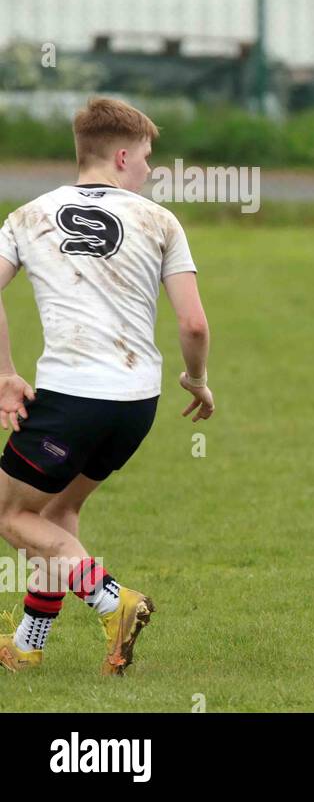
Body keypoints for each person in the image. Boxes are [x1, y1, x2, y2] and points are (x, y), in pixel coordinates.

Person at [0, 97, 213, 676]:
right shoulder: (161, 221)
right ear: (123, 156)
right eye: (147, 158)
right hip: (135, 405)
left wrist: (4, 375)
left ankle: (113, 601)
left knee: (10, 516)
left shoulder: (28, 216)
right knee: (58, 513)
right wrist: (196, 379)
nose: (149, 169)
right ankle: (27, 641)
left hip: (71, 399)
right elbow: (193, 324)